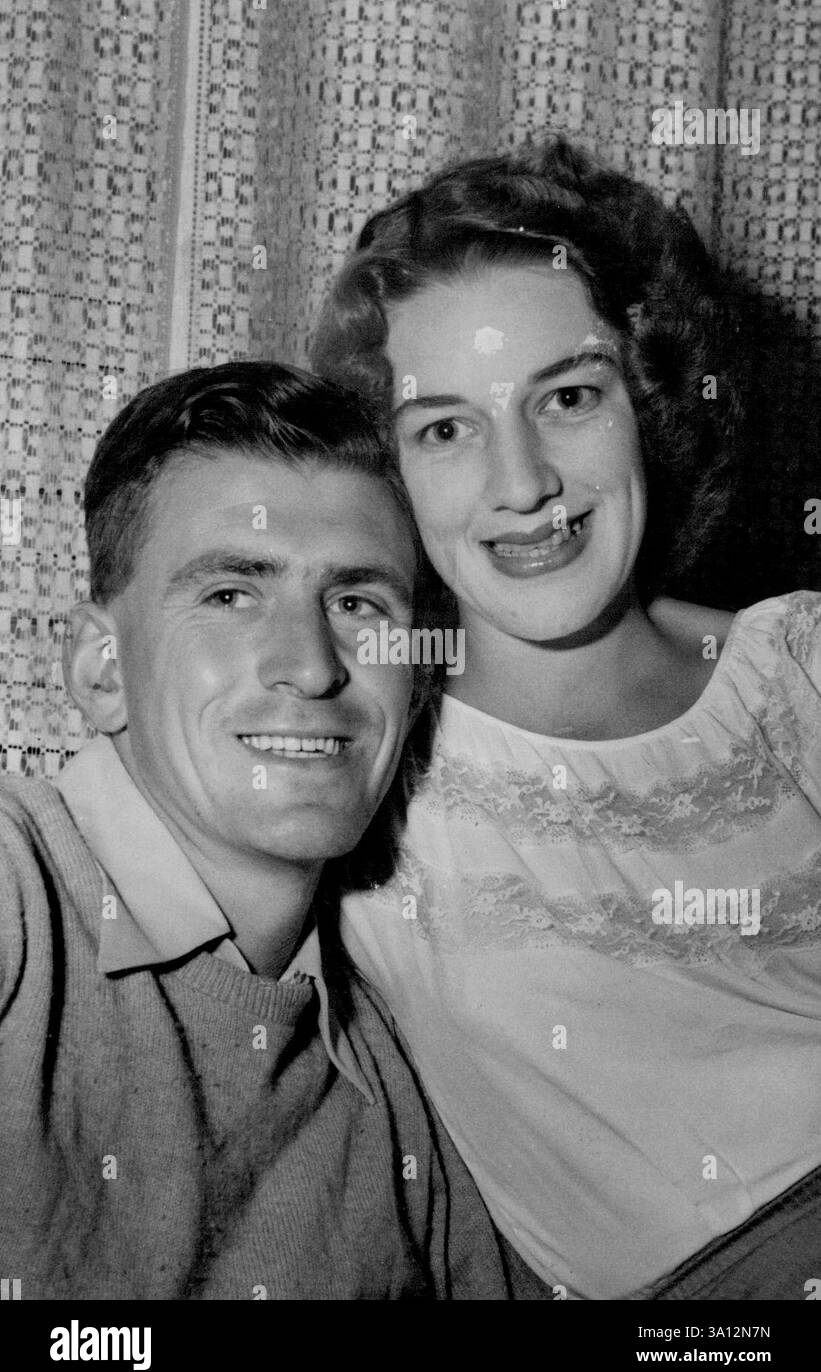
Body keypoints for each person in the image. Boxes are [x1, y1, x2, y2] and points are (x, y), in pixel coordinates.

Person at [312, 135, 821, 1300]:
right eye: (444, 426)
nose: (522, 479)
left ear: (645, 399)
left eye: (568, 396)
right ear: (383, 469)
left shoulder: (793, 664)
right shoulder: (358, 744)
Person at [0, 360, 544, 1301]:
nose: (311, 667)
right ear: (100, 669)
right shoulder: (16, 897)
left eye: (356, 604)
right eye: (230, 594)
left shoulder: (403, 1077)